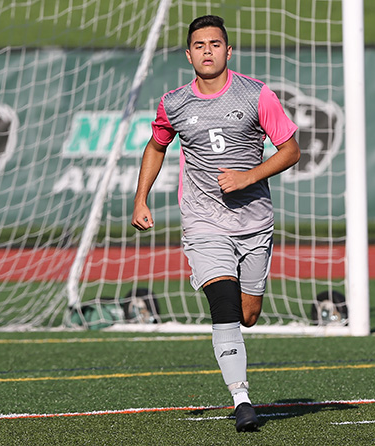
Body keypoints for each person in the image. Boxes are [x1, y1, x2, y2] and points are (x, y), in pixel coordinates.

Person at [131, 15, 300, 432]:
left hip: (254, 220)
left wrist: (248, 175)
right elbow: (157, 146)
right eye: (200, 45)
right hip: (203, 218)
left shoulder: (258, 94)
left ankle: (245, 319)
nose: (208, 50)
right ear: (189, 54)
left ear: (228, 50)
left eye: (215, 43)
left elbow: (291, 150)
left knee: (248, 313)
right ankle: (242, 400)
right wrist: (141, 199)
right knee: (222, 303)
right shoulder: (173, 102)